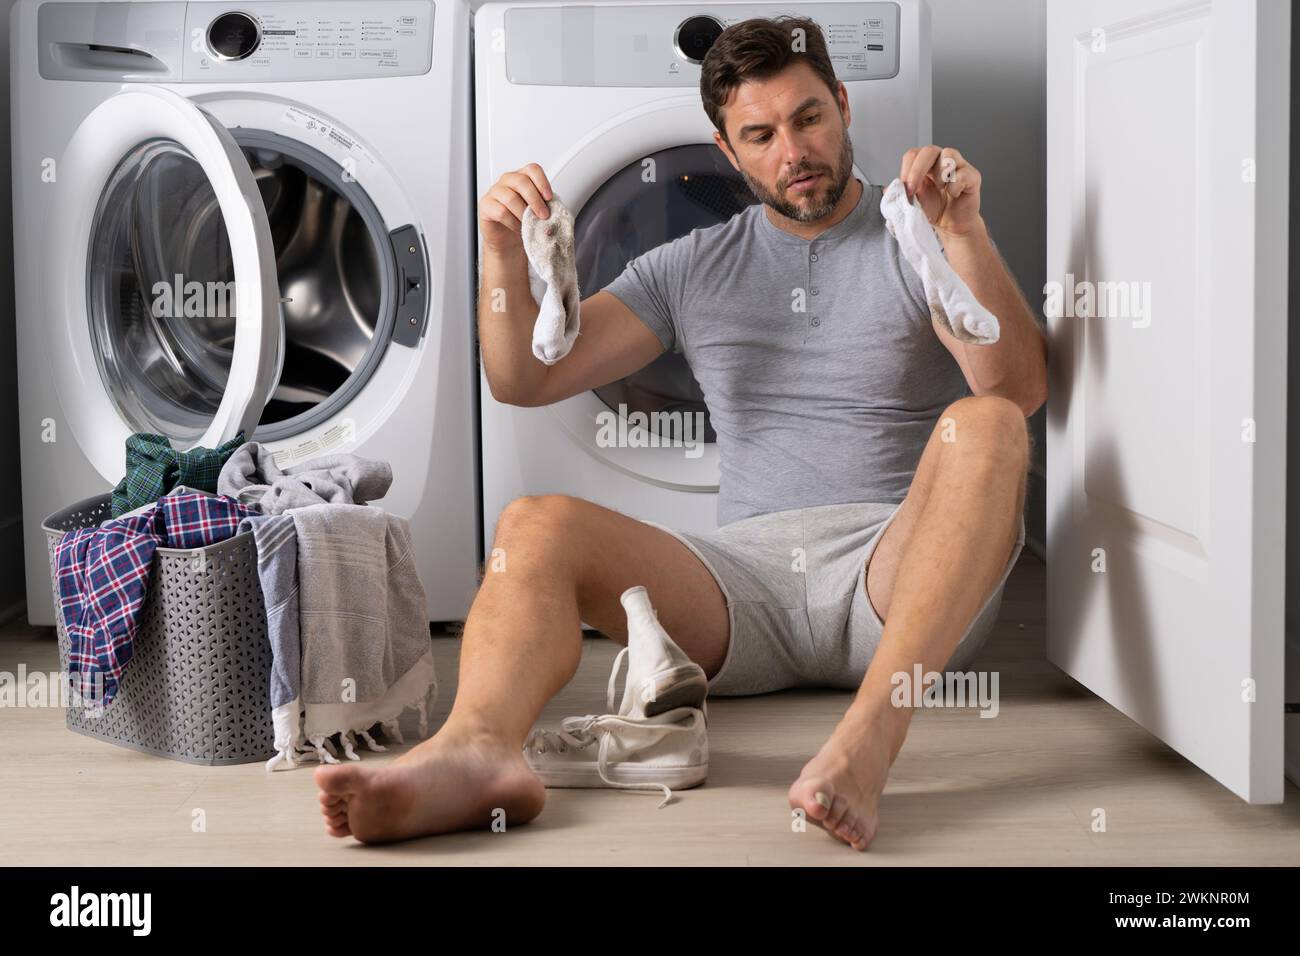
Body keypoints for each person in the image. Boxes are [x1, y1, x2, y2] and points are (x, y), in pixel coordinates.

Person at [316, 15, 1046, 851]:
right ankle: (476, 753)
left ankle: (867, 741)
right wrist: (500, 255)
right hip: (746, 586)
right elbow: (524, 379)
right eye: (761, 135)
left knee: (983, 425)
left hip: (902, 573)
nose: (794, 152)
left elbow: (1017, 391)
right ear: (728, 152)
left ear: (843, 107)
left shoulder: (914, 236)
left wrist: (962, 230)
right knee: (533, 524)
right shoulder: (690, 267)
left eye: (809, 119)